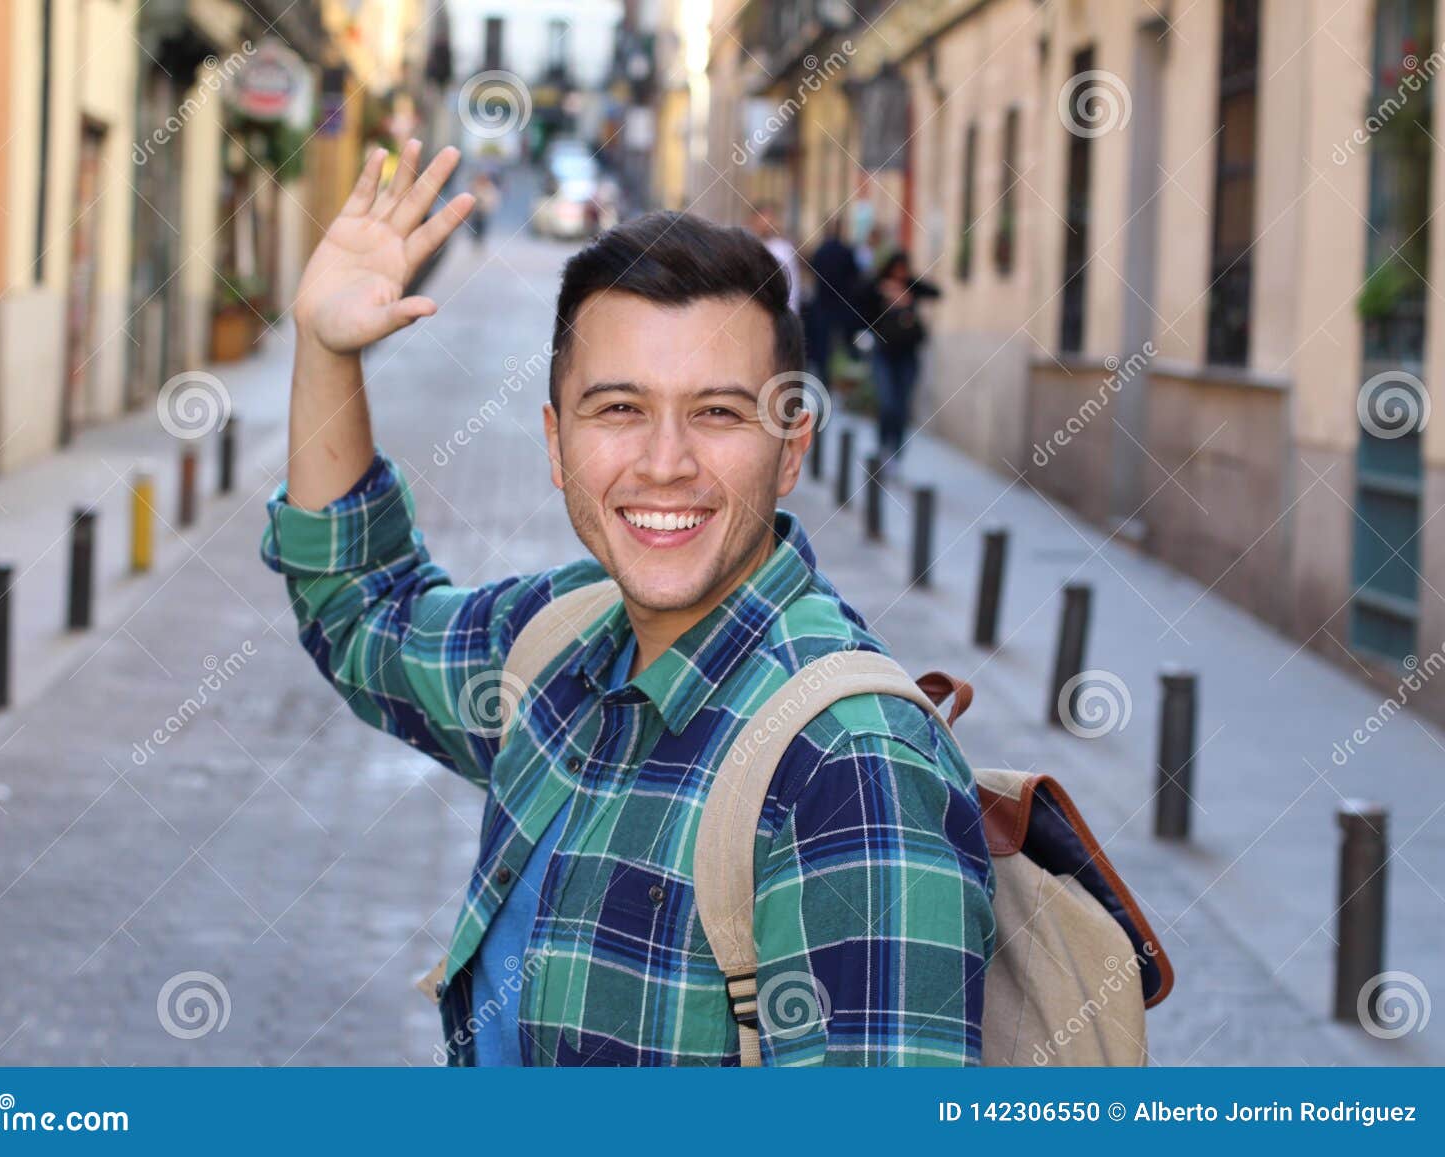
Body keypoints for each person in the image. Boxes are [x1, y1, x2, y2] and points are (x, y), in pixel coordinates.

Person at [262, 141, 994, 1066]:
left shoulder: (850, 771)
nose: (664, 462)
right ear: (557, 442)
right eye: (617, 409)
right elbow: (365, 614)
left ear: (792, 445)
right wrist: (327, 353)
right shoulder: (561, 648)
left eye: (720, 413)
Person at [859, 250, 940, 475]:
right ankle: (883, 446)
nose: (899, 274)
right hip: (883, 354)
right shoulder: (877, 286)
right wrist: (883, 293)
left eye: (903, 270)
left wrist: (907, 298)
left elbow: (936, 292)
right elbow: (859, 304)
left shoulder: (910, 286)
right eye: (896, 270)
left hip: (907, 356)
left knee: (902, 406)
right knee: (887, 403)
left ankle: (896, 453)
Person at [804, 217, 862, 392]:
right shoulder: (846, 251)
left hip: (824, 304)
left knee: (823, 344)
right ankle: (838, 380)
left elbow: (812, 269)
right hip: (841, 304)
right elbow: (855, 275)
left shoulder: (821, 250)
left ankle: (827, 377)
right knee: (841, 343)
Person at [748, 202, 801, 315]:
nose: (766, 224)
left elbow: (793, 287)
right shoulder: (746, 247)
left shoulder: (783, 250)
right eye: (762, 219)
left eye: (770, 220)